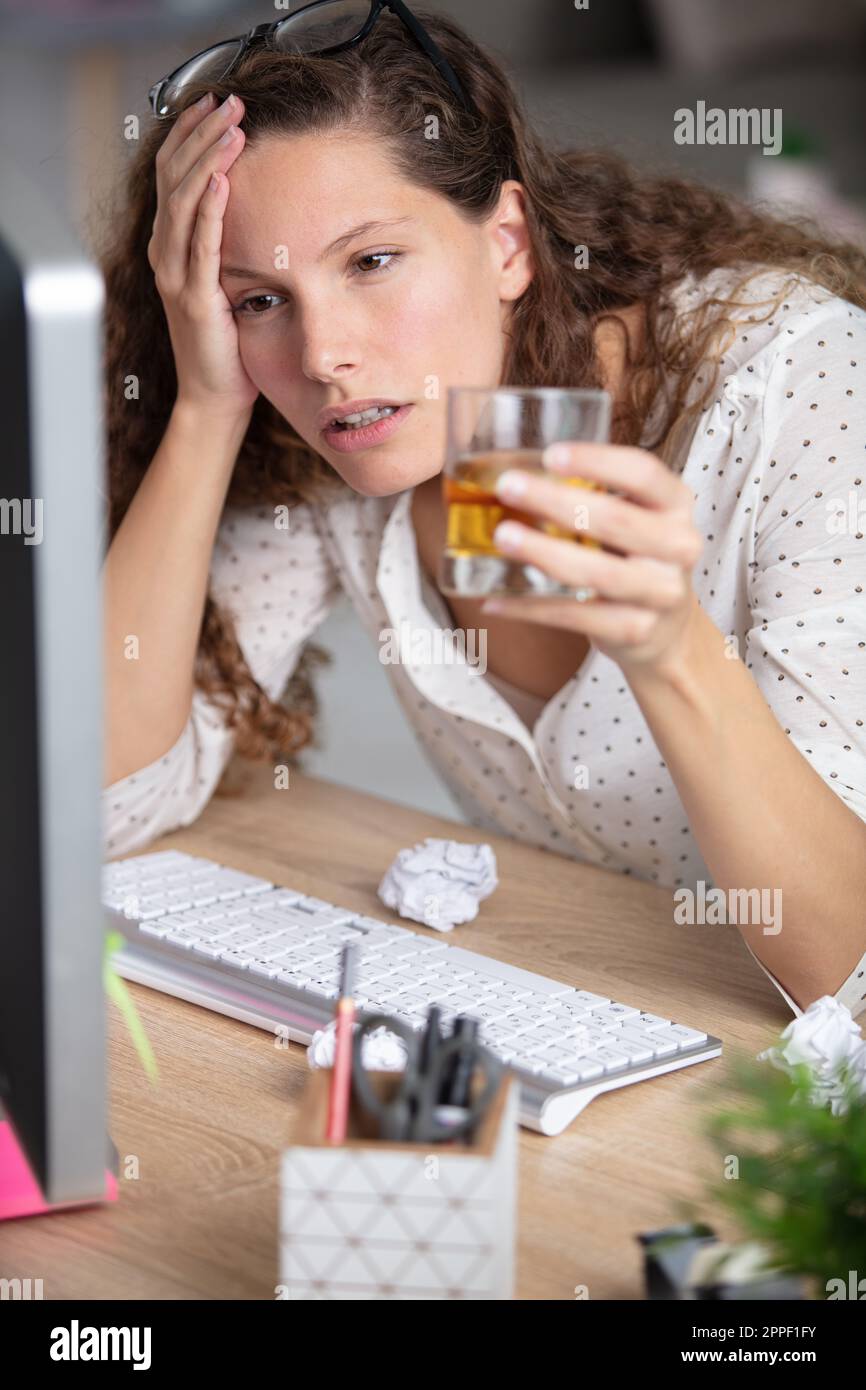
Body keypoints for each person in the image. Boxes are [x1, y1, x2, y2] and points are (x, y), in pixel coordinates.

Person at [98, 6, 866, 1019]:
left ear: (504, 242)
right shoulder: (330, 439)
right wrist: (207, 404)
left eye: (370, 262)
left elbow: (849, 972)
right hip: (601, 1016)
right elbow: (99, 800)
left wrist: (673, 650)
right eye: (256, 298)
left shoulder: (797, 384)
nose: (323, 353)